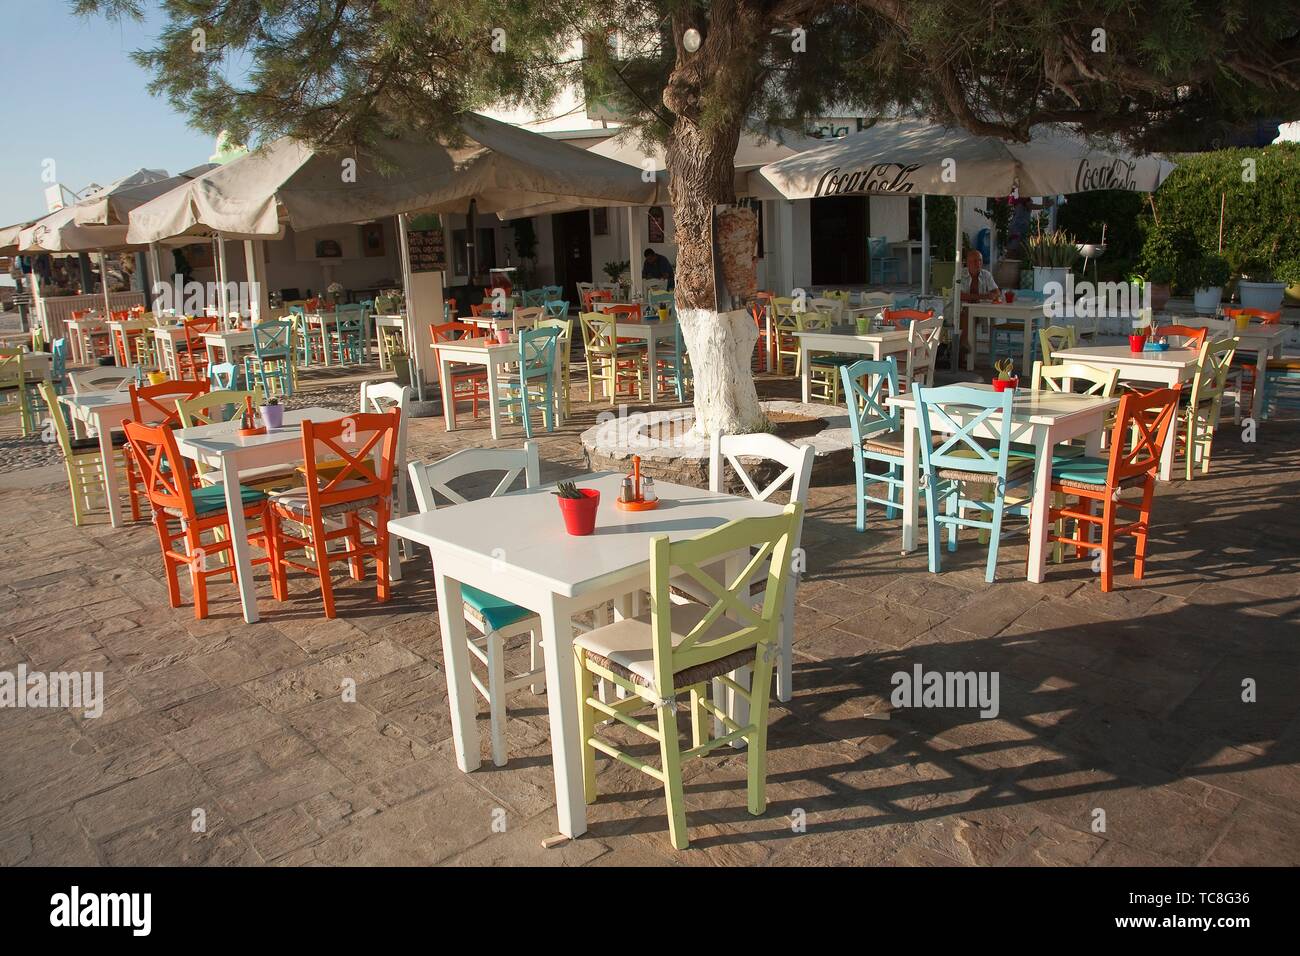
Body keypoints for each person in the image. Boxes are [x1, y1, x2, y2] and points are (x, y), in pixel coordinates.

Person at [958, 249, 1000, 366]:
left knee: (971, 314)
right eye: (975, 261)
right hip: (958, 311)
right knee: (968, 313)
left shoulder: (986, 275)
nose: (978, 263)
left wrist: (991, 295)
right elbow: (961, 295)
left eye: (980, 260)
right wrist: (984, 296)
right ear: (968, 263)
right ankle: (961, 349)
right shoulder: (959, 275)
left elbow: (996, 292)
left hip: (978, 311)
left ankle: (961, 347)